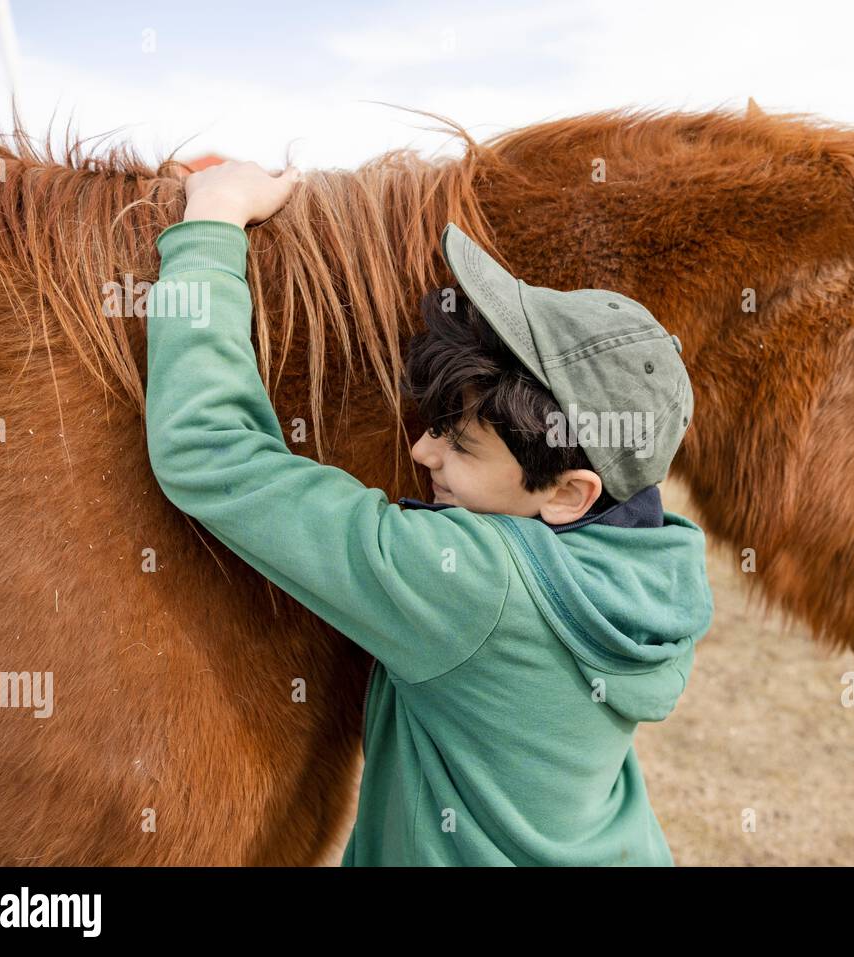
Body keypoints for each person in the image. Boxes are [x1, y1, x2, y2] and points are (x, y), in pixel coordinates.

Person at [143, 160, 714, 865]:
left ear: (569, 492)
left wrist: (212, 221)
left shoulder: (472, 585)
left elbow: (208, 449)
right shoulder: (656, 565)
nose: (421, 448)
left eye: (461, 442)